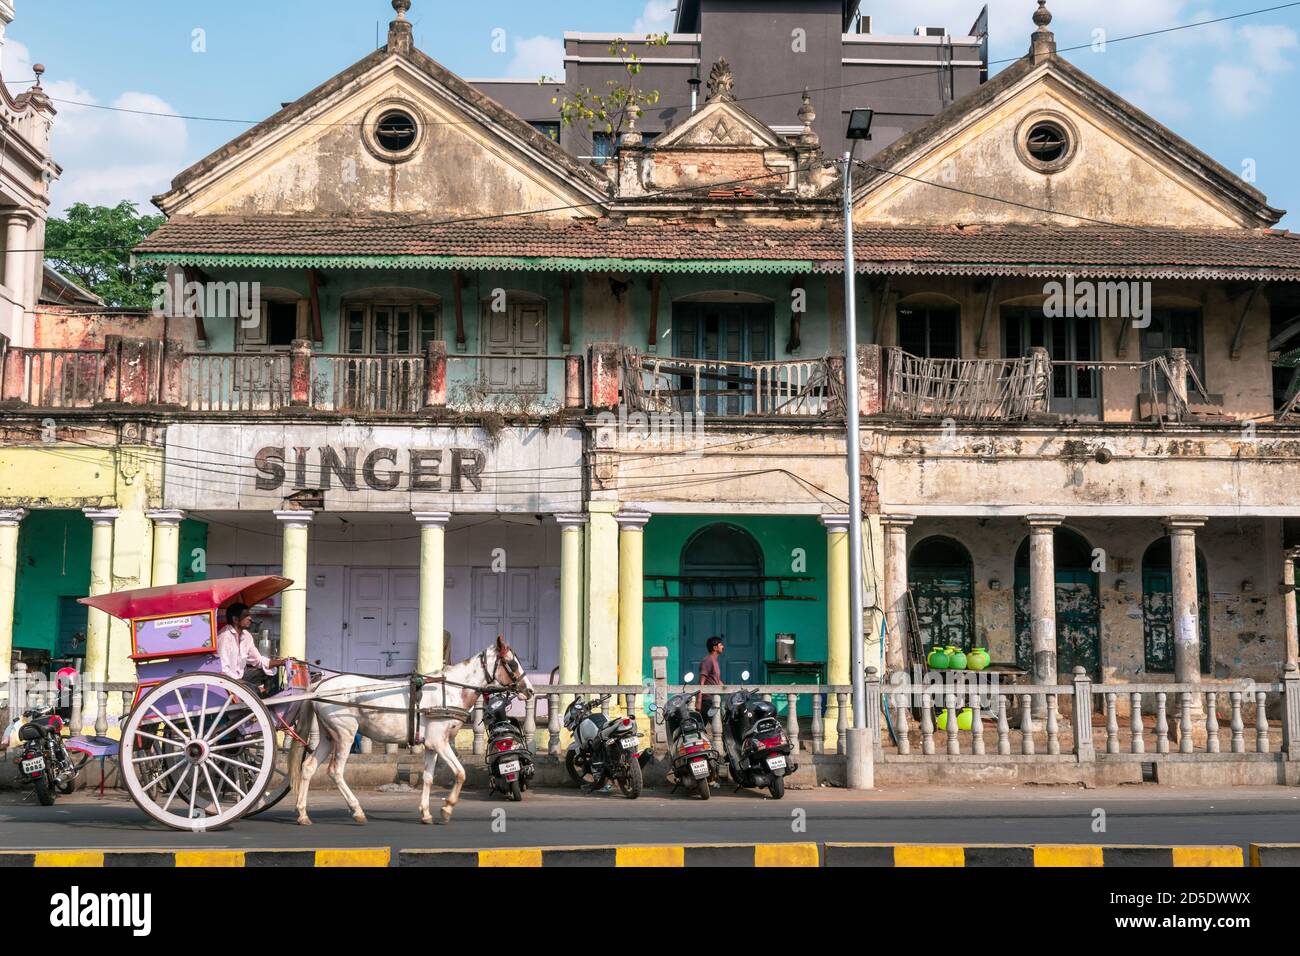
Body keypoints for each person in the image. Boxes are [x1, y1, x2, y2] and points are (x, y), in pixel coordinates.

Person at [216, 603, 283, 696]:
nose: (250, 618)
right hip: (229, 680)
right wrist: (246, 685)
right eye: (245, 616)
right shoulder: (224, 636)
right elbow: (224, 669)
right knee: (257, 691)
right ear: (235, 619)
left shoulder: (246, 635)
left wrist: (282, 662)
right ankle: (264, 701)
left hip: (241, 676)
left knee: (272, 671)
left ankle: (271, 699)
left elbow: (258, 661)